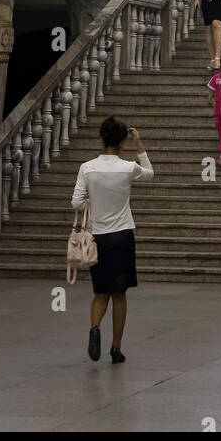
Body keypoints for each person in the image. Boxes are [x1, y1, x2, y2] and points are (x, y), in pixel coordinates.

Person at [71, 116, 154, 364]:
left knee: (100, 292)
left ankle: (95, 328)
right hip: (122, 236)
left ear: (101, 138)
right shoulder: (128, 168)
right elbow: (150, 174)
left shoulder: (87, 167)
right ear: (121, 142)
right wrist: (139, 144)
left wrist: (92, 204)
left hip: (98, 237)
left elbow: (75, 202)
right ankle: (116, 348)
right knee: (120, 294)